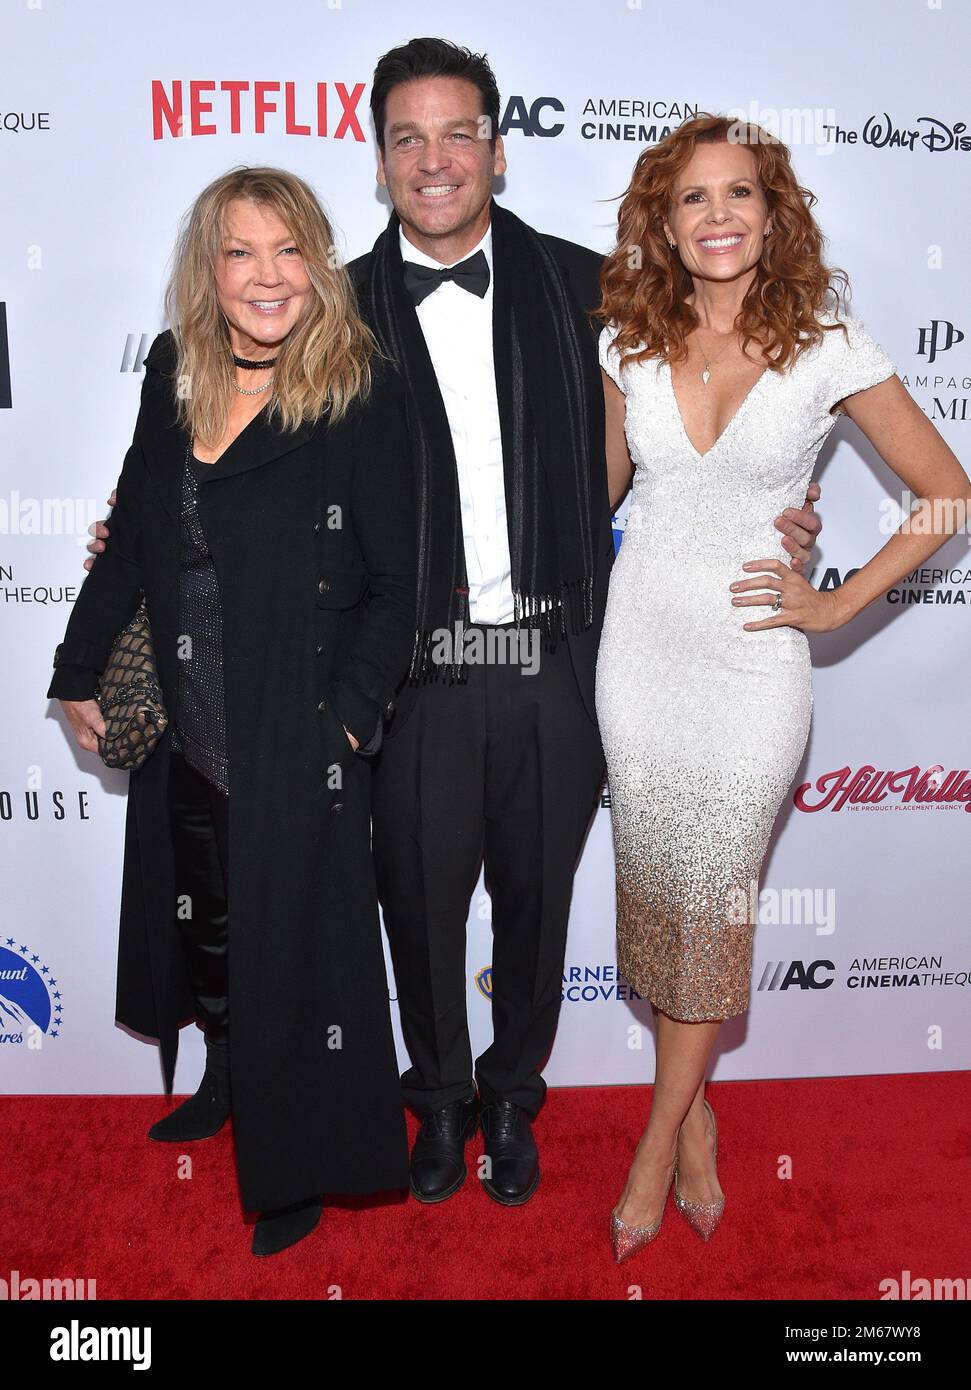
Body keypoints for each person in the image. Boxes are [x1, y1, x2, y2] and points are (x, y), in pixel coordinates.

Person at [88, 39, 823, 1211]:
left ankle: (511, 1101)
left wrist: (783, 521)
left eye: (457, 132)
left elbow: (720, 418)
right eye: (406, 138)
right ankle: (432, 1103)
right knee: (417, 920)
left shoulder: (592, 288)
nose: (434, 160)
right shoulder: (332, 312)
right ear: (378, 161)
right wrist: (151, 550)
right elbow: (222, 463)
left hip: (555, 669)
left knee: (534, 918)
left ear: (495, 144)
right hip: (405, 676)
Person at [596, 114, 971, 1262]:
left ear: (772, 212)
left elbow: (945, 493)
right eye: (692, 199)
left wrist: (836, 599)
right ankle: (697, 1113)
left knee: (710, 905)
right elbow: (592, 497)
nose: (716, 216)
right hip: (639, 653)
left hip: (753, 660)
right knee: (659, 896)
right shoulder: (626, 339)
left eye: (738, 195)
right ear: (662, 223)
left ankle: (655, 1143)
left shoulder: (823, 340)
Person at [51, 166, 417, 1255]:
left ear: (319, 263)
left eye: (287, 250)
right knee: (205, 911)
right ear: (207, 271)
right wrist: (75, 670)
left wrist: (346, 723)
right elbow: (134, 537)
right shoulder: (174, 371)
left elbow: (399, 585)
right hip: (182, 703)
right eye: (240, 252)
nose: (266, 276)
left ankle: (296, 1148)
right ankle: (223, 1071)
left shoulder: (360, 390)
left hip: (292, 718)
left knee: (293, 939)